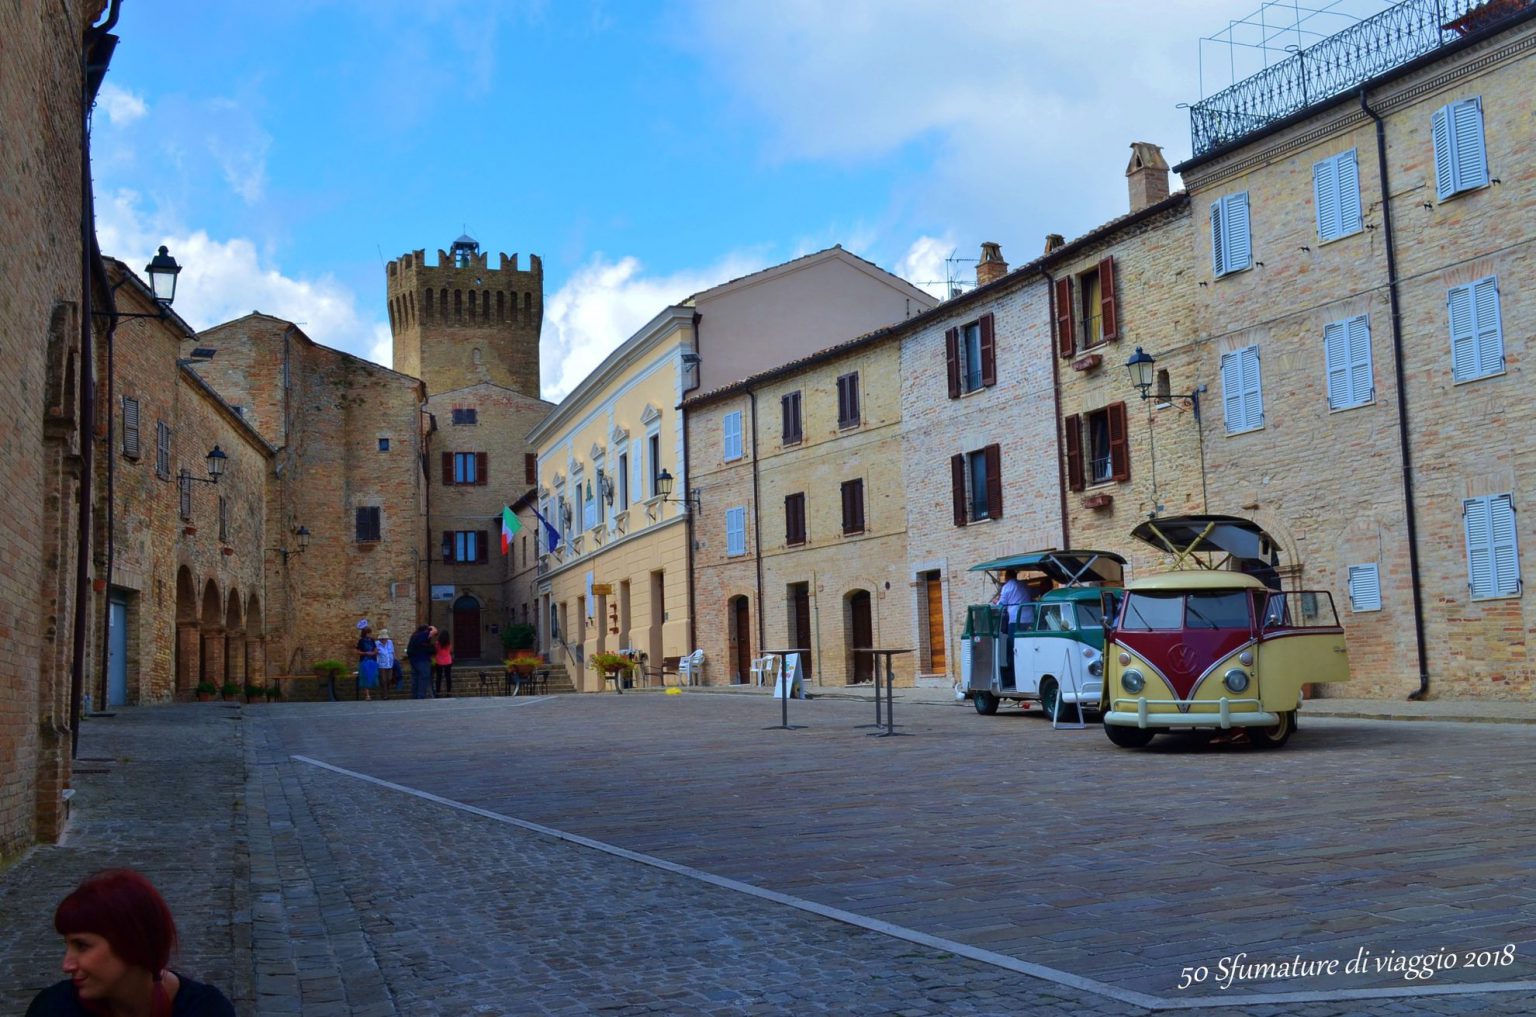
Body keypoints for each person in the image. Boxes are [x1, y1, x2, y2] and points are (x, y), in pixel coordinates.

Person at [27, 868, 235, 1016]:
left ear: (132, 943)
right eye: (68, 945)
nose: (67, 965)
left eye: (82, 946)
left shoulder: (207, 1010)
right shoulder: (53, 1007)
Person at [405, 624, 435, 700]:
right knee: (423, 678)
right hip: (422, 660)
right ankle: (421, 696)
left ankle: (415, 696)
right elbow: (435, 631)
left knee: (415, 678)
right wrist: (431, 627)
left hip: (413, 660)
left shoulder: (414, 636)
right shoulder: (423, 635)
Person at [356, 626, 379, 702]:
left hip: (372, 660)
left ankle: (373, 694)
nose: (369, 634)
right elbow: (358, 651)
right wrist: (365, 653)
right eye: (368, 633)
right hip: (364, 661)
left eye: (370, 633)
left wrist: (373, 653)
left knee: (373, 676)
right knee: (365, 677)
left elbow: (376, 650)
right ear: (364, 634)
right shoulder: (361, 641)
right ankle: (367, 695)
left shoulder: (372, 640)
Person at [432, 628, 454, 698]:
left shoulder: (437, 643)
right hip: (448, 661)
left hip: (439, 661)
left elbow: (435, 650)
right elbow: (450, 650)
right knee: (448, 677)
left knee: (439, 677)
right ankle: (449, 692)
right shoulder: (448, 643)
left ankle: (438, 692)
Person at [375, 628, 398, 692]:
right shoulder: (376, 643)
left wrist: (395, 659)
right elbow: (375, 653)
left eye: (385, 638)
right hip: (381, 664)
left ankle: (386, 690)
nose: (384, 640)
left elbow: (392, 651)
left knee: (389, 678)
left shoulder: (390, 642)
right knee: (383, 679)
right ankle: (385, 693)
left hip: (390, 663)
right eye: (382, 639)